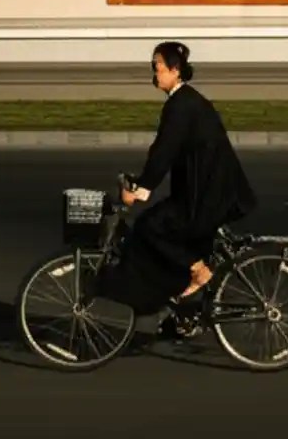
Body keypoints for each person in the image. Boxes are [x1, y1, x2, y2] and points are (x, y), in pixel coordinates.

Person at [110, 41, 258, 312]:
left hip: (207, 195)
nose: (154, 75)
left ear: (175, 70)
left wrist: (141, 190)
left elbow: (164, 152)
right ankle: (186, 310)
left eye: (158, 68)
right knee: (172, 233)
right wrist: (142, 179)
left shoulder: (181, 106)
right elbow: (163, 152)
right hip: (205, 190)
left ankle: (199, 271)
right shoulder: (185, 101)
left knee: (149, 227)